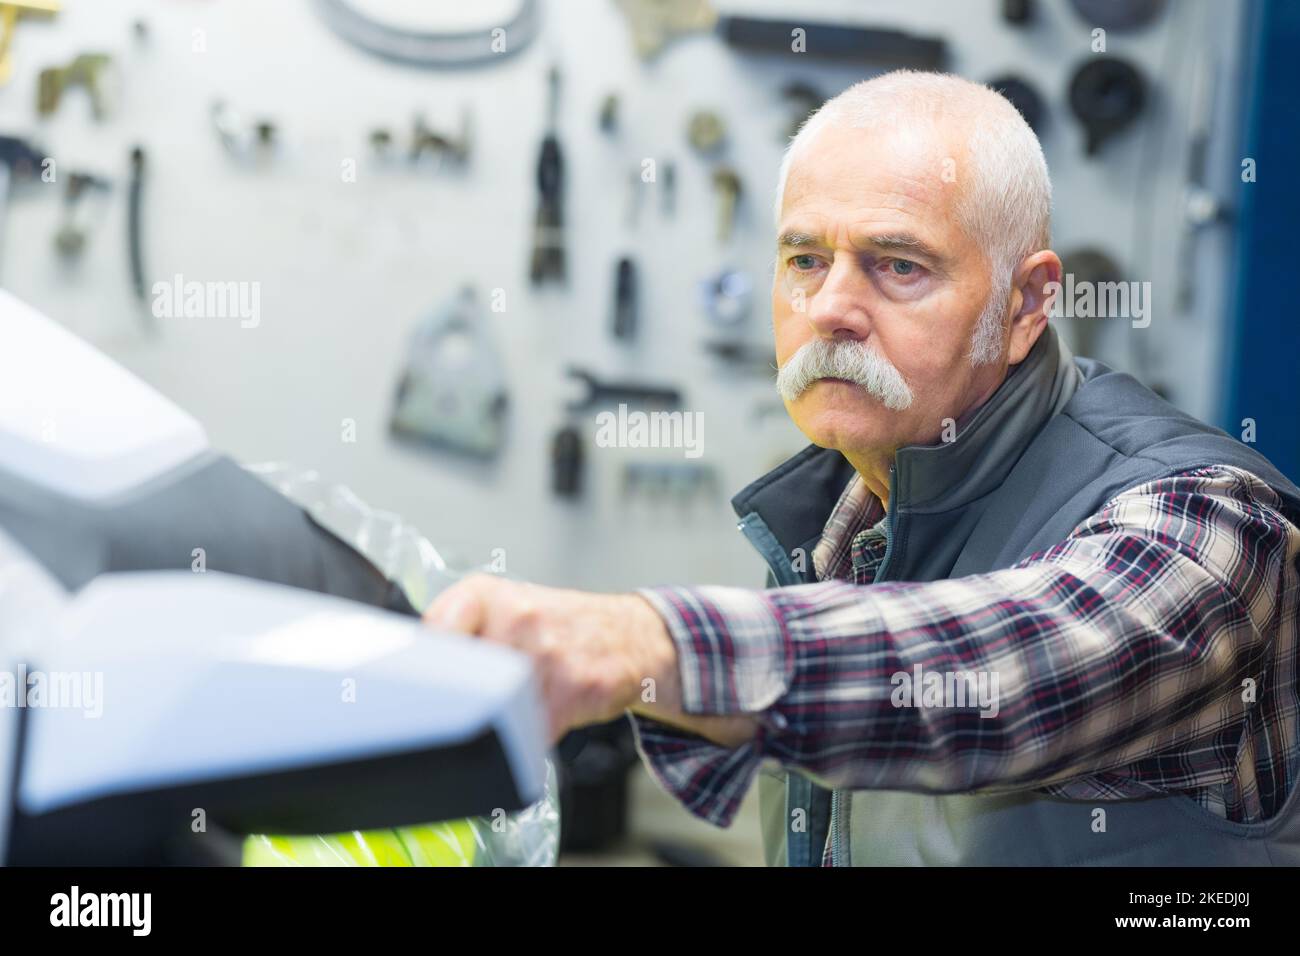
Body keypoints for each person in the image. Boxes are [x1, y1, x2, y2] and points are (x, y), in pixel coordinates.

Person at [424, 71, 1300, 866]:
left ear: (1026, 303)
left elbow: (992, 677)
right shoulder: (836, 520)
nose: (831, 308)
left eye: (899, 266)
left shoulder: (1206, 524)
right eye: (805, 259)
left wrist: (650, 644)